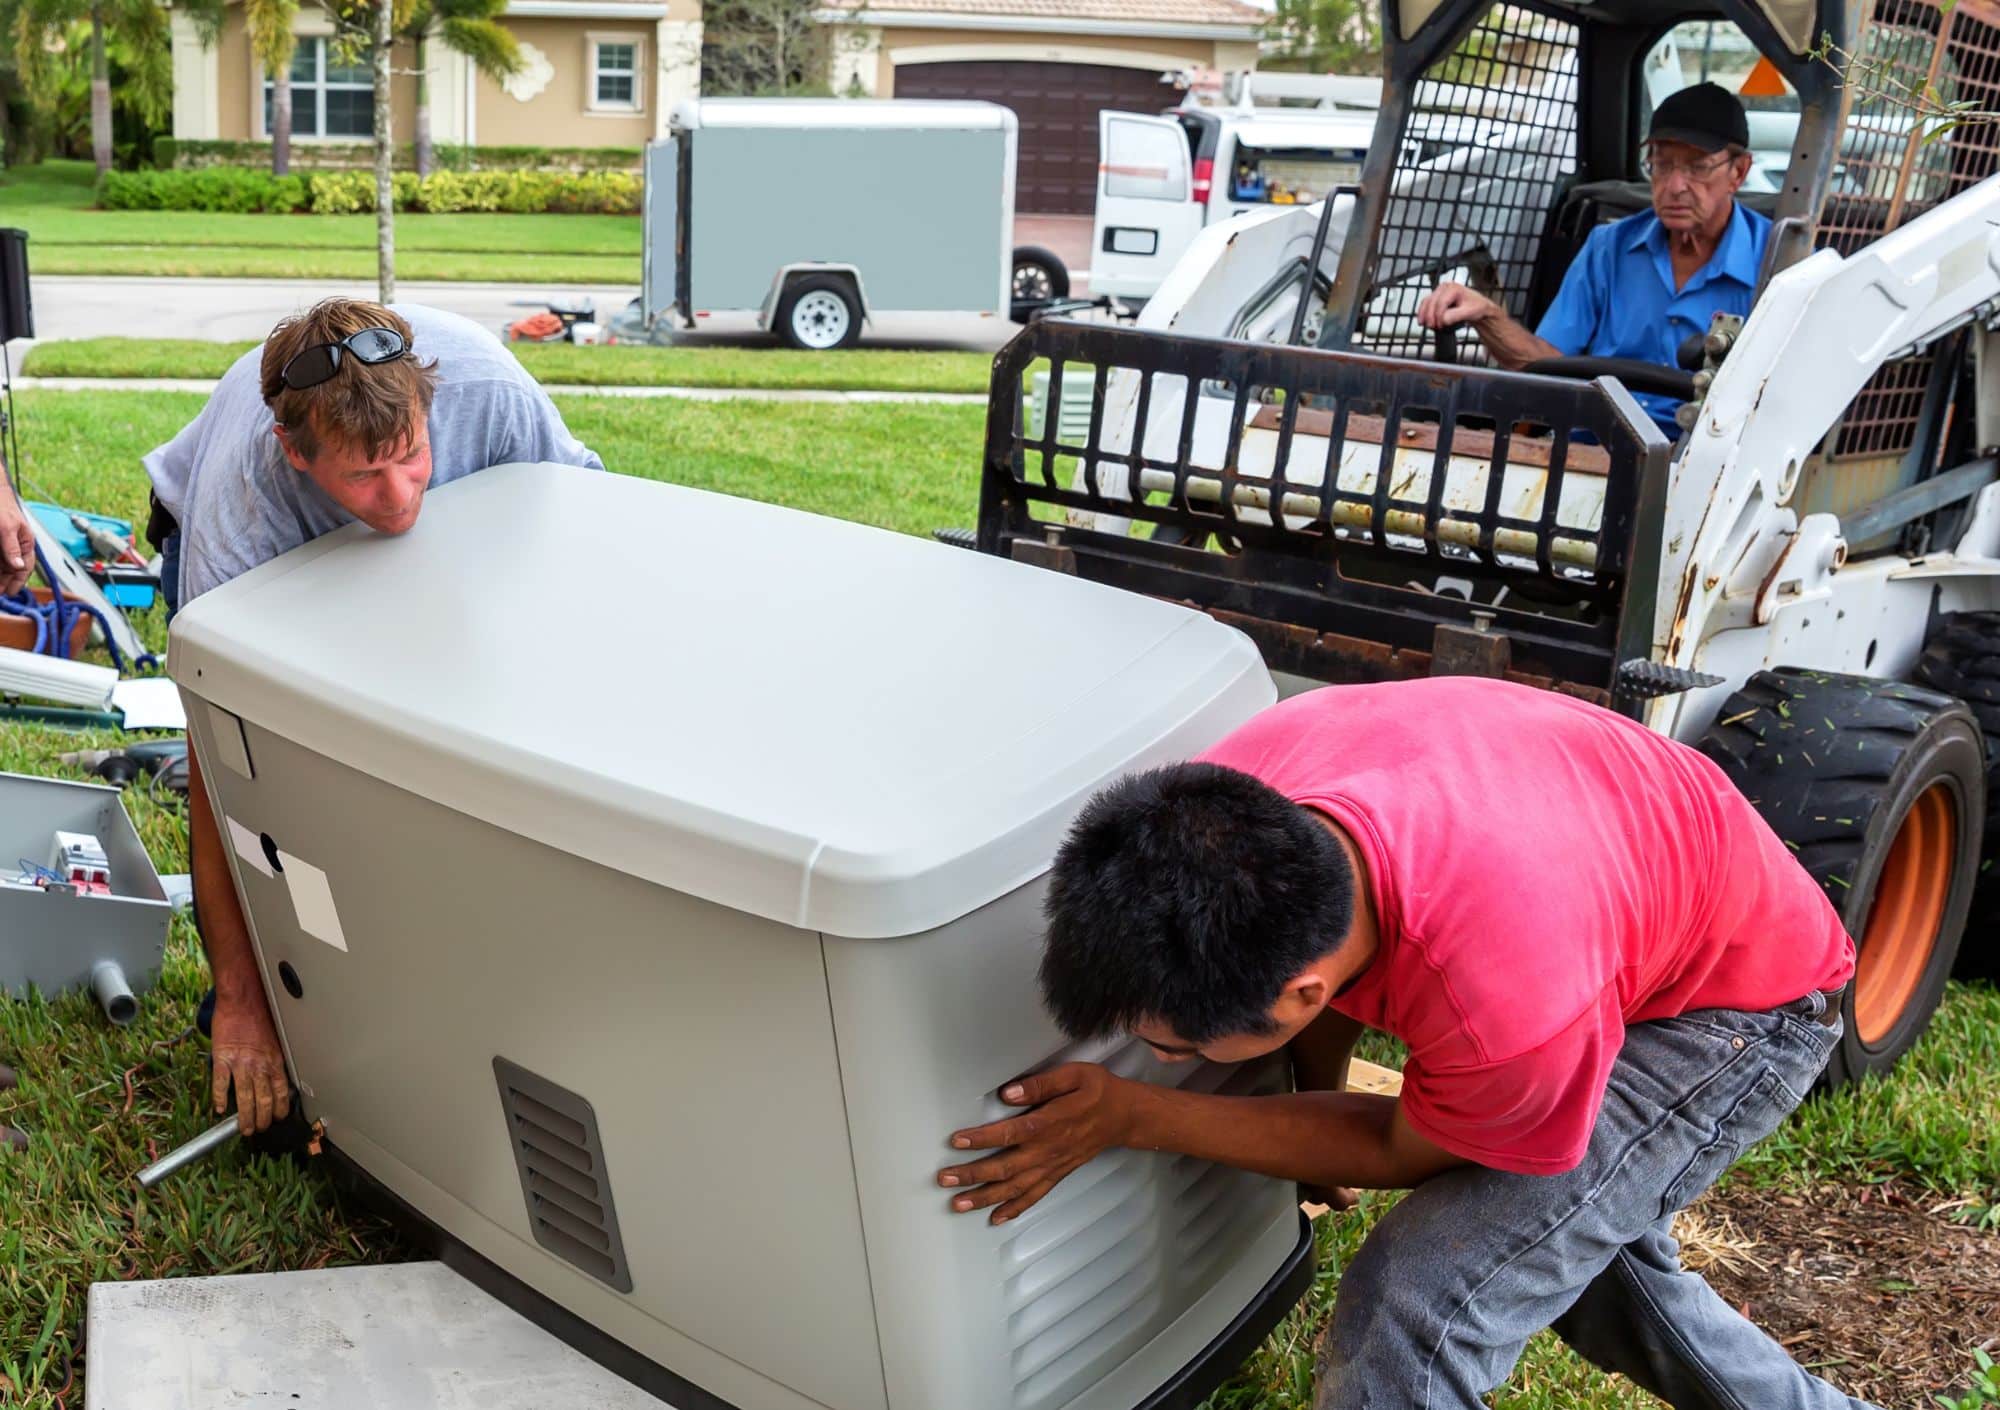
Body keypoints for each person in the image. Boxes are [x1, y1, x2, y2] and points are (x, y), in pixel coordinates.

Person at [935, 677, 1877, 1410]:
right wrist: (1306, 1093)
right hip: (1622, 892)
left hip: (1740, 1007)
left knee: (1417, 1306)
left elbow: (1403, 1150)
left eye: (1177, 1047)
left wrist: (1140, 1113)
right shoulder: (1239, 807)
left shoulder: (1504, 1000)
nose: (1161, 1058)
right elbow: (1338, 968)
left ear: (1301, 992)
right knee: (1580, 1262)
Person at [144, 298, 603, 1135]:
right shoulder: (242, 508)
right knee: (294, 779)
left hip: (447, 552)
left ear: (432, 411)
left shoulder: (491, 392)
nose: (397, 498)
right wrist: (244, 1005)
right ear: (294, 451)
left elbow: (579, 554)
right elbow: (218, 765)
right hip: (265, 566)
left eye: (412, 457)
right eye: (363, 475)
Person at [1415, 82, 1770, 440]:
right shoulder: (1608, 248)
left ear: (1738, 173)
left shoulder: (1778, 261)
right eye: (1661, 166)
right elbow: (1545, 365)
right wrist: (1487, 314)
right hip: (1592, 450)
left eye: (1698, 168)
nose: (1675, 185)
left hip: (1710, 465)